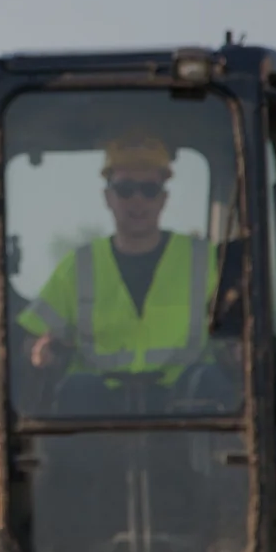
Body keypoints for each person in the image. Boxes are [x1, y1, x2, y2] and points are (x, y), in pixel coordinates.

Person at [17, 132, 230, 411]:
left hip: (184, 412)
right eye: (125, 189)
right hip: (99, 416)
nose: (137, 200)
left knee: (211, 383)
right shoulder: (78, 267)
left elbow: (236, 331)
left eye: (149, 190)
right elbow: (31, 336)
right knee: (75, 390)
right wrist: (38, 349)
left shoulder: (205, 259)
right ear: (108, 196)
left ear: (164, 198)